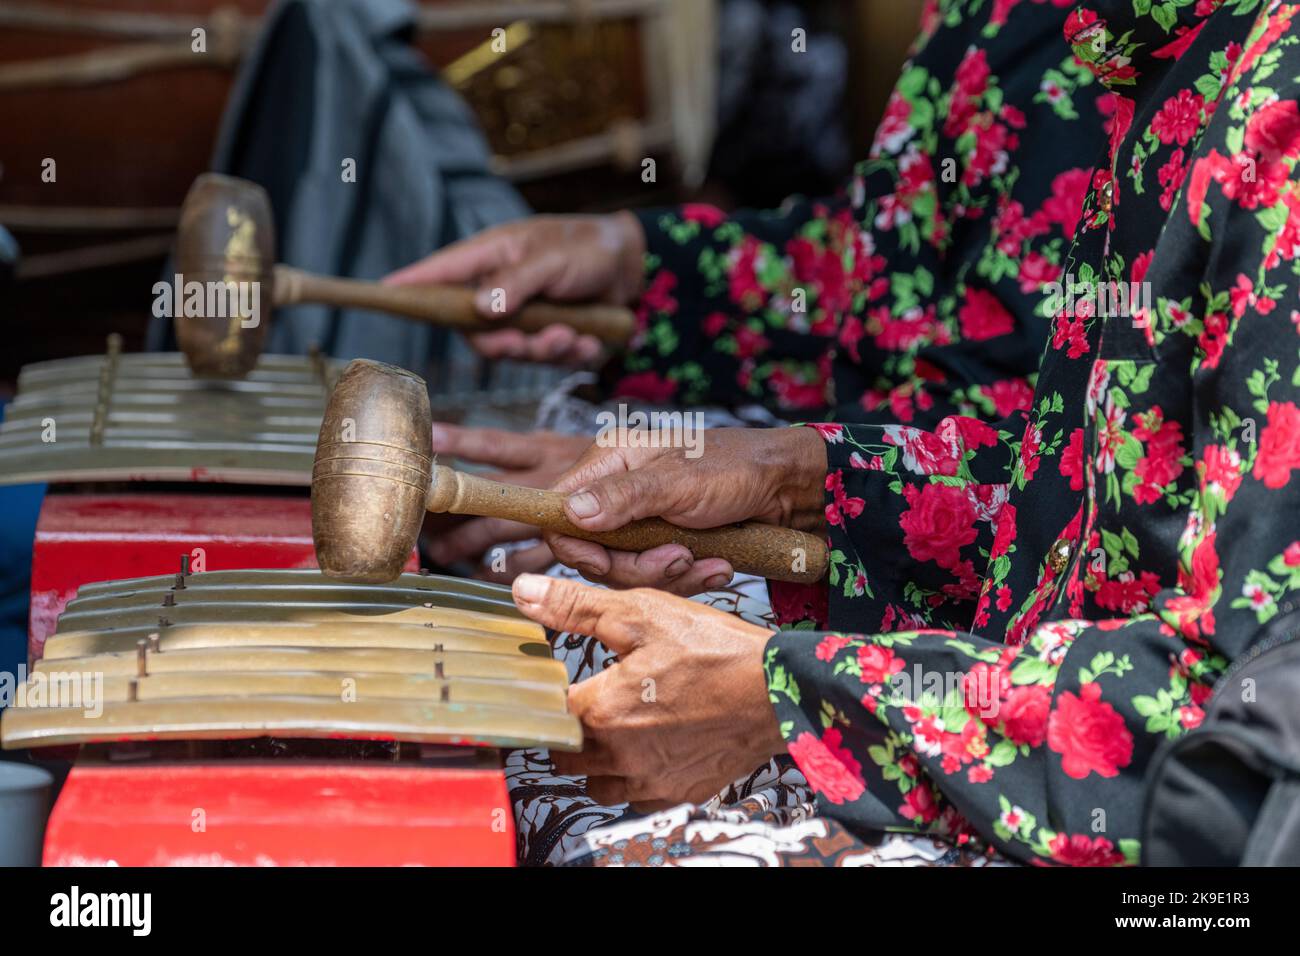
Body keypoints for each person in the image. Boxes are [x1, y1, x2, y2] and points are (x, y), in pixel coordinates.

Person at [494, 0, 1300, 866]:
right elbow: (1098, 527)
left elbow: (1238, 745)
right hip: (1008, 723)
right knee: (545, 701)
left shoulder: (1277, 108)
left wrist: (795, 698)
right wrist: (806, 484)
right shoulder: (1157, 43)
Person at [389, 0, 1110, 593]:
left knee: (557, 641)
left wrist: (795, 485)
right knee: (507, 498)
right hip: (873, 474)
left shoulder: (1190, 62)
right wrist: (646, 266)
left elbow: (1107, 491)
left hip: (1003, 615)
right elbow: (905, 271)